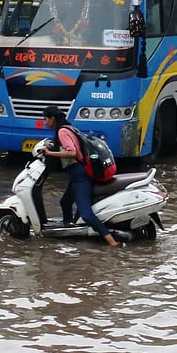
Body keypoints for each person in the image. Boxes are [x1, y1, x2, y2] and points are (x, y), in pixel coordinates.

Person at [40, 105, 121, 247]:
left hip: (80, 174)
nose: (44, 122)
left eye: (45, 119)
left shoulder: (62, 132)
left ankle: (112, 242)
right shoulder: (68, 128)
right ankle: (69, 232)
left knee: (86, 214)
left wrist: (50, 153)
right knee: (65, 202)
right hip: (75, 173)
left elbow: (72, 153)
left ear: (52, 119)